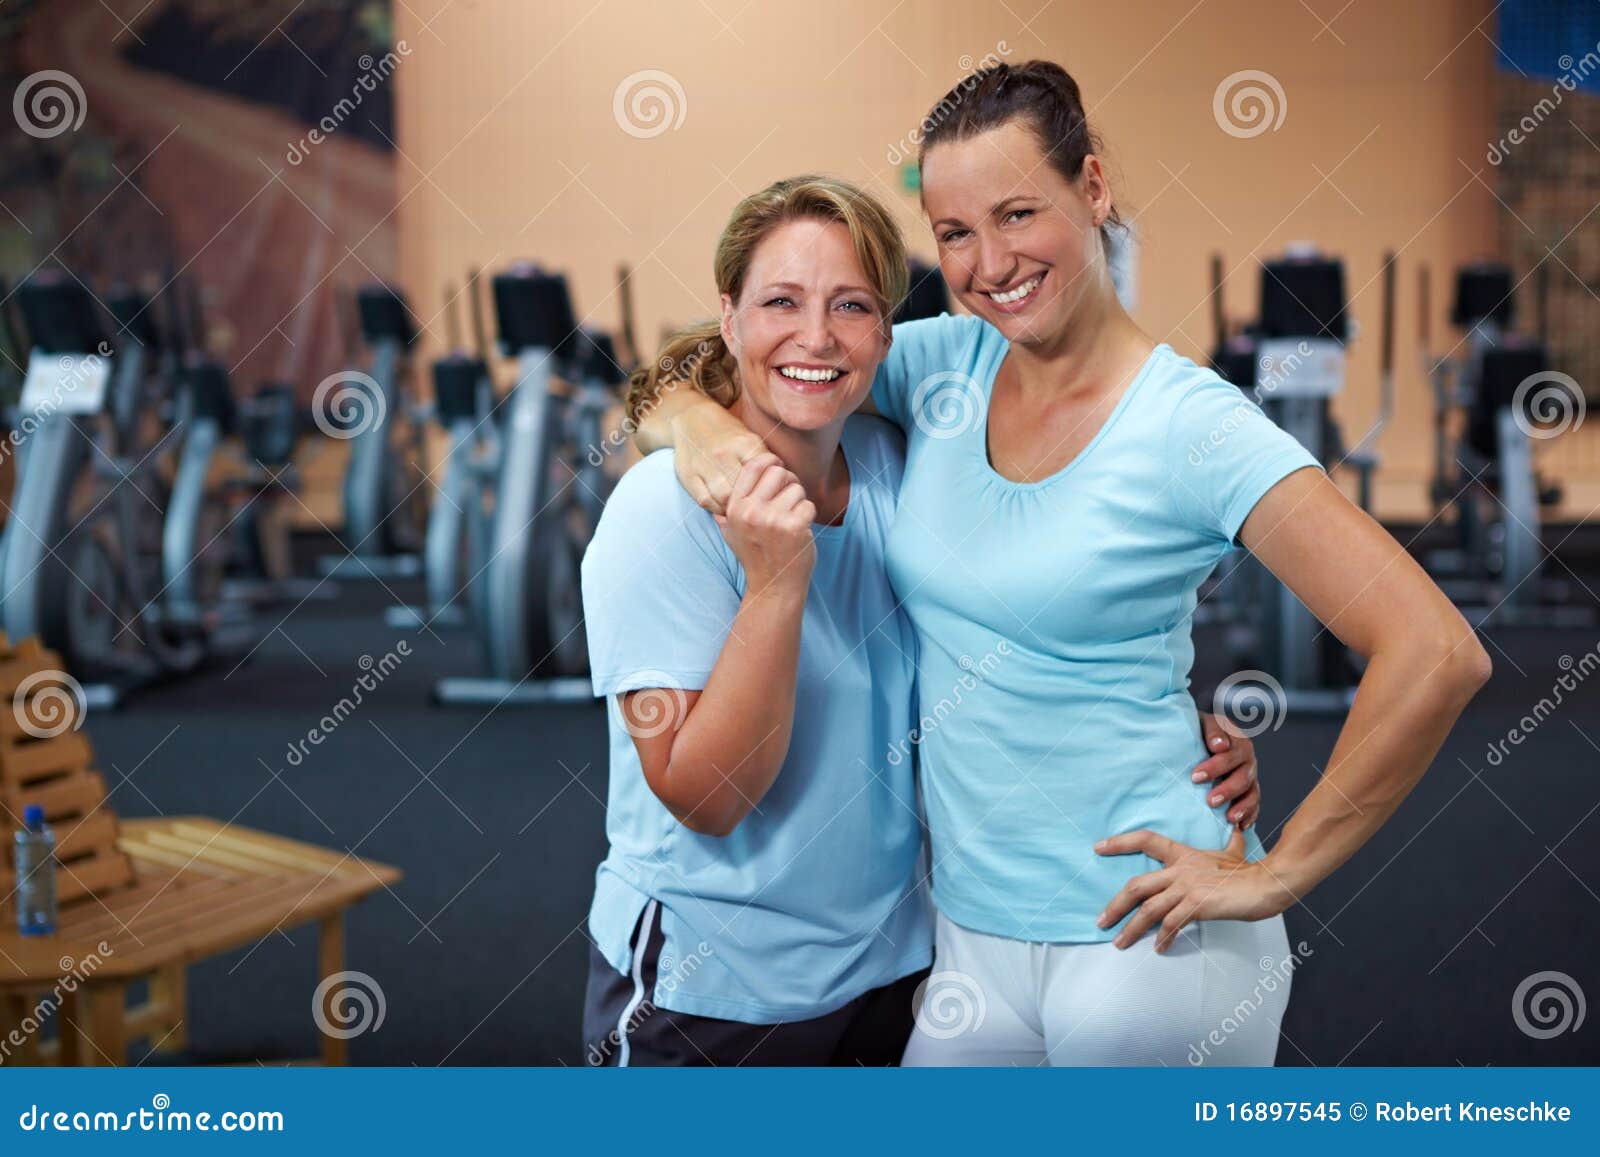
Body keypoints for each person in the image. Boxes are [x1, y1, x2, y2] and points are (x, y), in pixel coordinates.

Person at [632, 61, 1491, 1066]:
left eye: (1015, 214)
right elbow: (729, 362)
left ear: (1091, 189)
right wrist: (693, 428)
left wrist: (1277, 873)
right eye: (953, 233)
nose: (988, 261)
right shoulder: (947, 365)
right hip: (970, 934)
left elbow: (1433, 650)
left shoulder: (1193, 424)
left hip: (1147, 927)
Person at [581, 173, 1262, 1066]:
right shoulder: (658, 514)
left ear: (886, 331)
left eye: (852, 305)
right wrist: (777, 583)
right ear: (731, 316)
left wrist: (1167, 731)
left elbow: (1013, 618)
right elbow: (708, 800)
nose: (816, 336)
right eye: (780, 300)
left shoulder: (894, 459)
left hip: (900, 972)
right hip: (719, 988)